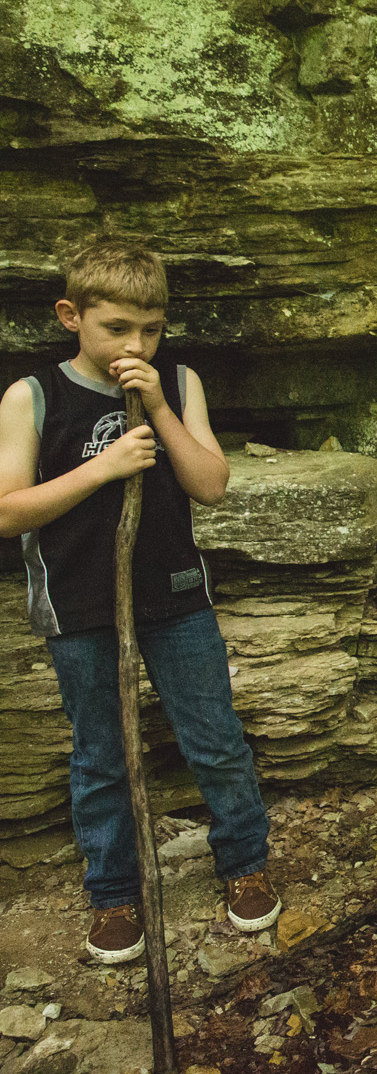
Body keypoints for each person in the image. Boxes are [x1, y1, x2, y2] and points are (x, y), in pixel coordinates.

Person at [0, 240, 281, 962]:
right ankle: (114, 892)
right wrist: (104, 468)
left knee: (215, 740)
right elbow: (6, 509)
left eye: (150, 329)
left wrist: (157, 404)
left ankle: (245, 863)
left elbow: (210, 484)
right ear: (71, 316)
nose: (135, 345)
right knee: (101, 755)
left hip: (177, 596)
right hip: (78, 604)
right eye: (116, 328)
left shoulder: (178, 382)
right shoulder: (32, 396)